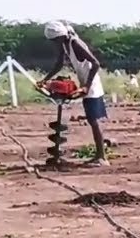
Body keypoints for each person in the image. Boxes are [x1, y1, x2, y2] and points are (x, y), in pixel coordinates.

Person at [40, 21, 109, 166]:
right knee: (92, 120)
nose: (53, 44)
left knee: (94, 120)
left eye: (53, 41)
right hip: (85, 82)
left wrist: (86, 86)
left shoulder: (74, 43)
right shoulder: (65, 44)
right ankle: (99, 155)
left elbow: (95, 63)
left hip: (92, 84)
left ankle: (101, 157)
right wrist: (44, 80)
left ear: (59, 37)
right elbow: (59, 64)